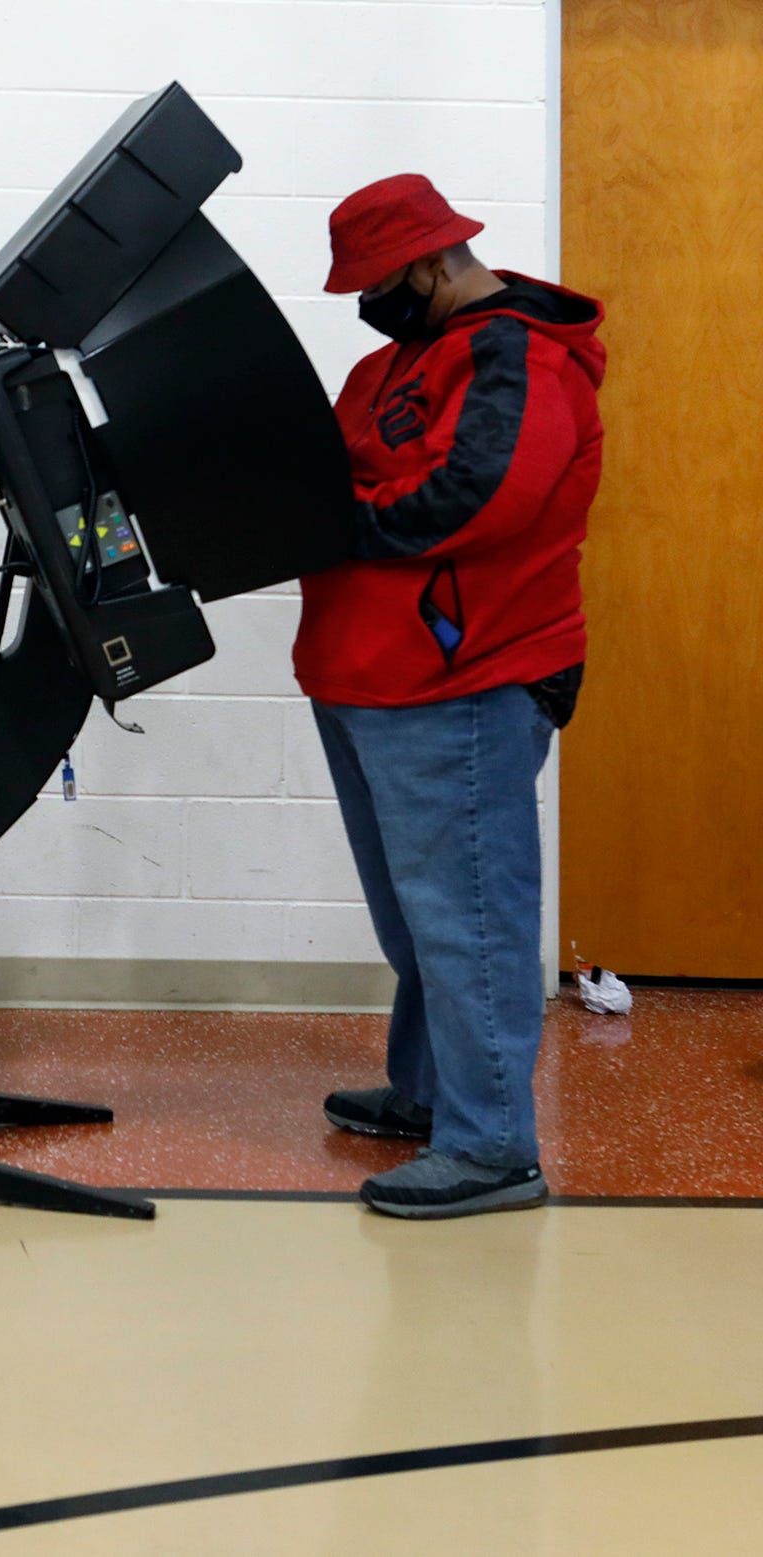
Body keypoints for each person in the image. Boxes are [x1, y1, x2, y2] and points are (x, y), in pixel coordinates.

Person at [295, 173, 606, 1218]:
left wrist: (341, 519)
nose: (363, 305)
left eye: (376, 282)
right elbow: (321, 473)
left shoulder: (516, 356)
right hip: (368, 673)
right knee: (416, 916)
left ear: (430, 264)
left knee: (467, 917)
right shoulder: (390, 363)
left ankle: (490, 1150)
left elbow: (475, 496)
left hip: (461, 676)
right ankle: (428, 1094)